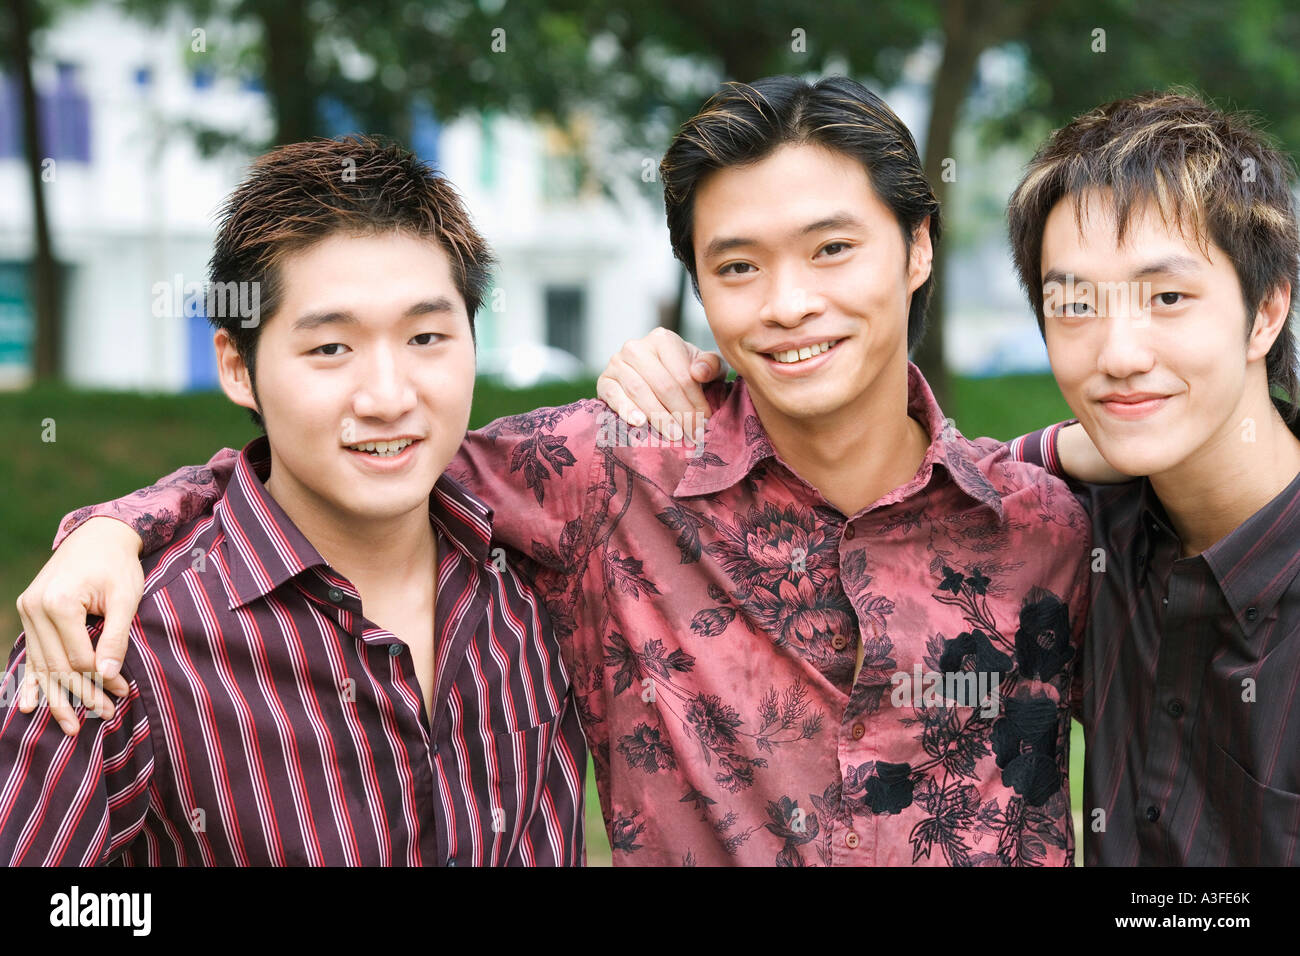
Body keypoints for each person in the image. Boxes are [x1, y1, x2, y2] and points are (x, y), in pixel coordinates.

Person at [14, 76, 1091, 866]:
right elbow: (354, 455)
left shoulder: (1049, 523)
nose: (788, 302)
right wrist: (112, 525)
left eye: (832, 250)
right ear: (699, 289)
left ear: (917, 248)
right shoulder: (609, 478)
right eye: (737, 266)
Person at [598, 90, 1300, 866]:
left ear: (1266, 310)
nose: (1119, 353)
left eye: (1168, 298)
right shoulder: (1076, 523)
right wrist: (656, 373)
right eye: (1074, 306)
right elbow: (957, 474)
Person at [1, 136, 586, 866]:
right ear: (237, 368)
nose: (388, 397)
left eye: (427, 336)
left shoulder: (545, 565)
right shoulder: (121, 643)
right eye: (330, 349)